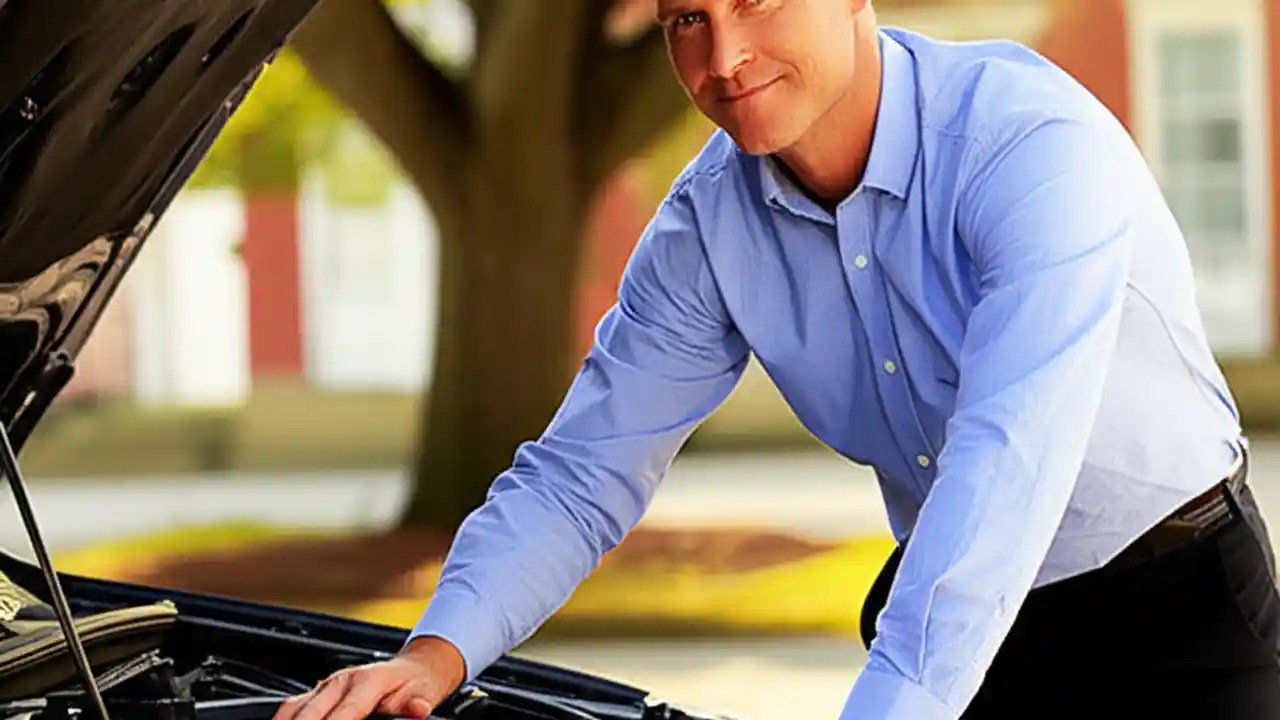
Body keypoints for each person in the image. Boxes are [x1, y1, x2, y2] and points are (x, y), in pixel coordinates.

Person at [272, 0, 1280, 718]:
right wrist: (436, 654)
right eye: (686, 21)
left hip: (1176, 611)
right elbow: (583, 472)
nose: (723, 57)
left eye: (753, 2)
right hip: (957, 618)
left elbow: (1004, 463)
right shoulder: (708, 226)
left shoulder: (1027, 148)